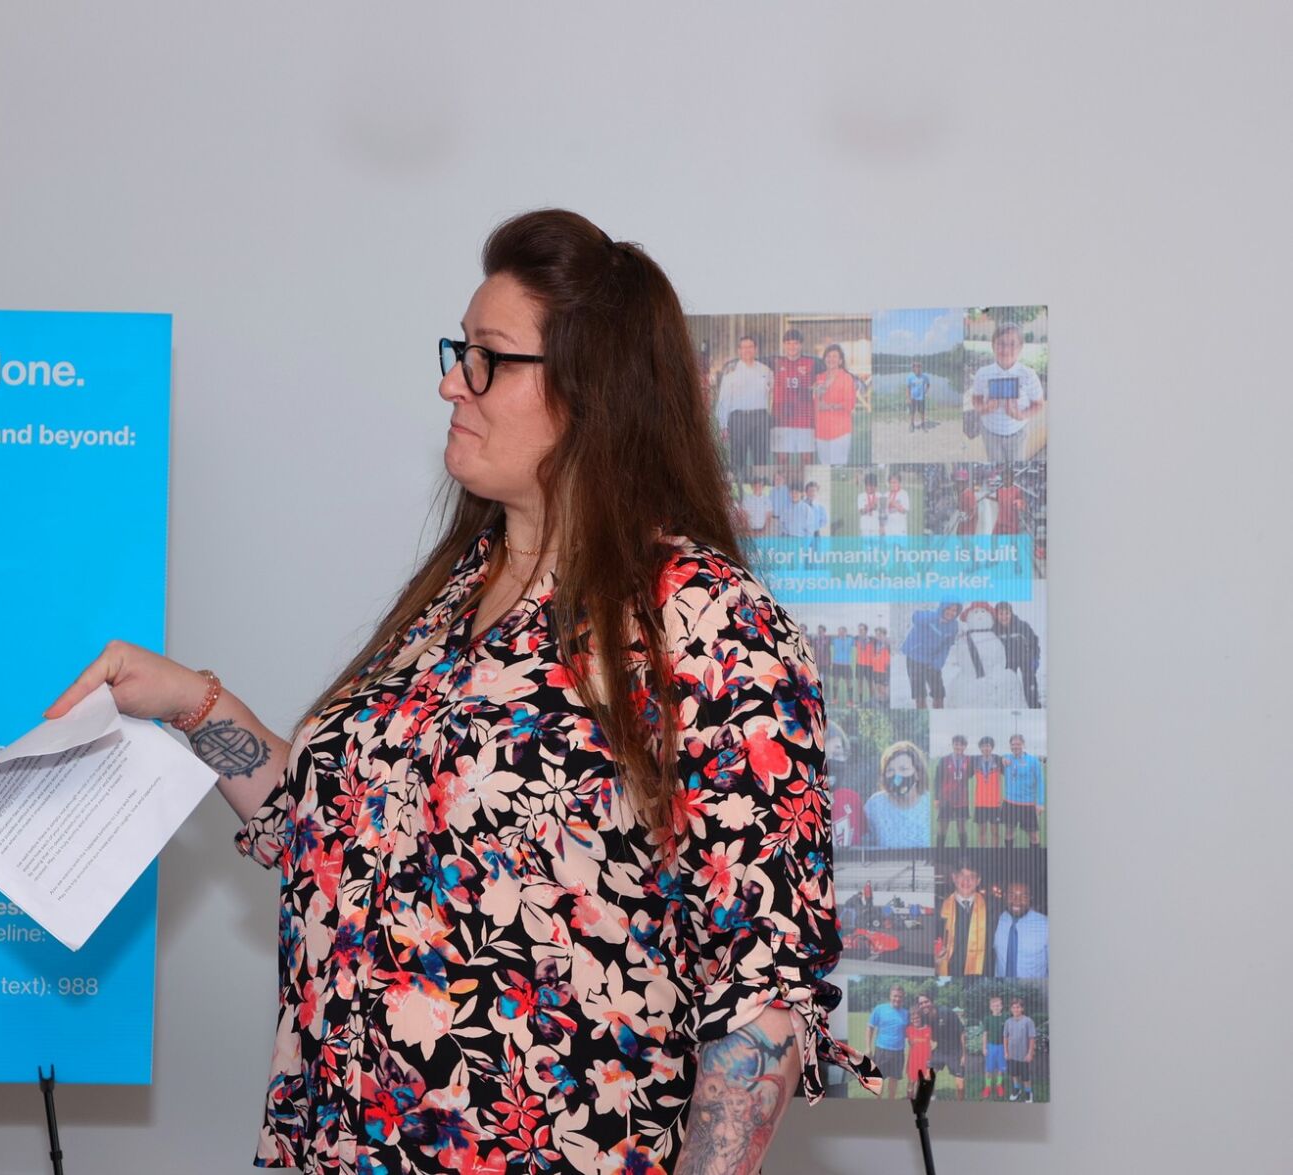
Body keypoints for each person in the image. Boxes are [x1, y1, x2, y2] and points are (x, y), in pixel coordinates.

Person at [44, 210, 875, 1173]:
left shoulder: (705, 623)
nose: (451, 382)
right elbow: (329, 836)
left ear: (591, 391)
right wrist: (191, 703)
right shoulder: (448, 600)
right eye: (458, 351)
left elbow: (762, 984)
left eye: (487, 358)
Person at [969, 323, 1045, 463]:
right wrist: (984, 408)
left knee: (1015, 466)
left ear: (1021, 347)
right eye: (1001, 343)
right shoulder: (983, 373)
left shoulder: (1028, 375)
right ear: (993, 345)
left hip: (1018, 433)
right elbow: (976, 399)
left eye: (1012, 344)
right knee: (996, 465)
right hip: (990, 432)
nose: (1005, 349)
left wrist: (1020, 415)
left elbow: (1038, 404)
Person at [715, 333, 773, 468]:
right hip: (738, 419)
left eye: (750, 347)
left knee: (761, 460)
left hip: (760, 419)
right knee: (737, 459)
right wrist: (723, 426)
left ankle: (761, 487)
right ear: (739, 351)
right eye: (743, 347)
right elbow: (724, 401)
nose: (747, 350)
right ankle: (738, 486)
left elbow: (773, 394)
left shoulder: (766, 370)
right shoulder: (731, 372)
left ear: (756, 349)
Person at [771, 327, 821, 474]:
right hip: (781, 419)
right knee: (781, 459)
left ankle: (808, 487)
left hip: (804, 420)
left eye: (795, 343)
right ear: (784, 345)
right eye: (789, 343)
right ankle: (784, 489)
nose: (792, 347)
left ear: (801, 345)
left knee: (807, 460)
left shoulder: (812, 363)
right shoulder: (774, 362)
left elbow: (830, 371)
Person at [863, 741, 931, 848]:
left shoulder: (933, 806)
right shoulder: (875, 805)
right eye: (890, 770)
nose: (897, 776)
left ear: (917, 773)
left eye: (903, 769)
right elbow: (863, 846)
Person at [935, 859, 991, 976]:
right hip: (948, 972)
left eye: (972, 876)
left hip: (980, 973)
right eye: (961, 875)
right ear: (954, 878)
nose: (966, 880)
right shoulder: (939, 909)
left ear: (978, 881)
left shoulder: (992, 910)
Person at [900, 600, 961, 709]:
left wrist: (938, 662)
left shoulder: (953, 626)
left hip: (932, 661)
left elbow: (946, 646)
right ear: (943, 607)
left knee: (939, 694)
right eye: (948, 608)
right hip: (915, 658)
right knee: (920, 695)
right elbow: (915, 617)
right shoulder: (930, 616)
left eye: (954, 610)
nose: (951, 613)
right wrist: (934, 618)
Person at [812, 343, 859, 465]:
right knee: (824, 464)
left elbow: (850, 404)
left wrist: (830, 406)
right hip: (821, 430)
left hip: (840, 431)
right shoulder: (819, 377)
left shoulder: (846, 378)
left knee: (839, 464)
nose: (831, 359)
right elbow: (815, 402)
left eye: (834, 356)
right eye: (828, 356)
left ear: (840, 361)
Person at [993, 880, 1050, 979]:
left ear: (1030, 898)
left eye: (1023, 896)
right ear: (1005, 896)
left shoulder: (1046, 925)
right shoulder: (996, 921)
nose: (1016, 901)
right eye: (1012, 895)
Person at [992, 601, 1042, 708]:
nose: (1004, 617)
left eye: (1007, 613)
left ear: (1011, 613)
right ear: (996, 615)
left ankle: (1034, 707)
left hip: (1025, 658)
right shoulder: (994, 629)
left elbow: (1034, 642)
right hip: (1007, 661)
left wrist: (1035, 658)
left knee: (1029, 682)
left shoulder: (1022, 626)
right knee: (1007, 684)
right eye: (1001, 614)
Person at [867, 985, 911, 1100]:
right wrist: (868, 1047)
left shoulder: (906, 1014)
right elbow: (870, 1028)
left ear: (903, 998)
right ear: (890, 996)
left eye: (900, 996)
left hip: (898, 1052)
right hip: (882, 1050)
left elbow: (909, 1033)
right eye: (895, 996)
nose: (897, 999)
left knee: (894, 1079)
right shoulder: (879, 1009)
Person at [1003, 733, 1047, 847]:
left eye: (1018, 744)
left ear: (1023, 745)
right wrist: (1002, 758)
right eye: (1013, 744)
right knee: (1008, 832)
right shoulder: (1007, 759)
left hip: (1028, 804)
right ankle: (1008, 859)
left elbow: (1040, 782)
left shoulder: (1033, 761)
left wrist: (1040, 803)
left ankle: (1034, 862)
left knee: (1033, 836)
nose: (1015, 746)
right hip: (1010, 803)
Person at [935, 735, 973, 847]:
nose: (958, 746)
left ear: (965, 746)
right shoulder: (944, 760)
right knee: (943, 827)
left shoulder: (969, 760)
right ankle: (939, 853)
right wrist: (937, 798)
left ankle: (963, 854)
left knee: (961, 827)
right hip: (946, 799)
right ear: (953, 745)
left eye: (961, 744)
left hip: (962, 799)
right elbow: (937, 779)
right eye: (956, 744)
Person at [971, 735, 1005, 848]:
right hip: (980, 802)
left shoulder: (999, 760)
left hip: (994, 803)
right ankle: (982, 853)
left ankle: (995, 854)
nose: (986, 748)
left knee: (995, 832)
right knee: (982, 831)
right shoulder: (975, 760)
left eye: (988, 746)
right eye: (983, 746)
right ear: (980, 748)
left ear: (992, 747)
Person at [1003, 998, 1039, 1101]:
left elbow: (1031, 1038)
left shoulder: (1028, 1021)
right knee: (1014, 1074)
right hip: (1012, 1054)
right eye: (1013, 1007)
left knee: (1025, 1077)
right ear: (1011, 1009)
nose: (1015, 1009)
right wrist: (1006, 1051)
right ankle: (1017, 1089)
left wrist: (1030, 1053)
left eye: (1018, 1007)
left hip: (1024, 1055)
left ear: (1022, 1008)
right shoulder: (1008, 1022)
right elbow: (1005, 1037)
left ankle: (1028, 1092)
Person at [981, 995, 1008, 1099]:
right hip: (991, 1046)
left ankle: (999, 1085)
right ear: (990, 1007)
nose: (996, 1007)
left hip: (1002, 1047)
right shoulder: (987, 1018)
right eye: (994, 1006)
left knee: (1000, 1068)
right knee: (988, 1069)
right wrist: (984, 1047)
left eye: (998, 1005)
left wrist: (1006, 1049)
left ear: (1001, 1006)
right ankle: (987, 1087)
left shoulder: (1005, 1017)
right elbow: (985, 1034)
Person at [904, 1007, 934, 1097]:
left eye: (917, 1018)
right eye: (912, 1019)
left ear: (921, 1018)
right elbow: (907, 1042)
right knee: (911, 1081)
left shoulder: (929, 1029)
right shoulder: (909, 1029)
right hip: (913, 1061)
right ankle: (909, 1098)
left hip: (925, 1062)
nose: (915, 1020)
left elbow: (934, 1043)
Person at [960, 1009, 987, 1101]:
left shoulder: (980, 1024)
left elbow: (984, 1035)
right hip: (971, 1053)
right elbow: (963, 1037)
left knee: (982, 1071)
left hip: (979, 1052)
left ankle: (983, 1087)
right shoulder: (965, 1024)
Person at [830, 625, 856, 705]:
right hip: (836, 664)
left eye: (842, 631)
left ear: (845, 632)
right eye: (839, 631)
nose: (840, 633)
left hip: (846, 665)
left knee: (849, 683)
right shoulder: (835, 640)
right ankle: (835, 699)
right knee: (835, 682)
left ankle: (850, 701)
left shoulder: (851, 640)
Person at [881, 471, 911, 539]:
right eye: (891, 482)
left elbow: (904, 510)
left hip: (900, 527)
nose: (893, 485)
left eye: (895, 482)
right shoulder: (886, 495)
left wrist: (893, 503)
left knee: (900, 548)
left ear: (899, 483)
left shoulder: (904, 494)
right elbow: (883, 513)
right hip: (889, 527)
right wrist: (882, 527)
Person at [868, 627, 891, 706]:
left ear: (884, 634)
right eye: (876, 634)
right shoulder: (875, 643)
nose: (878, 636)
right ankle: (880, 702)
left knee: (884, 688)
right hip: (876, 669)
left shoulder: (888, 644)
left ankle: (886, 702)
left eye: (880, 634)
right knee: (877, 686)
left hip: (884, 670)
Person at [857, 473, 883, 538]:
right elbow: (861, 511)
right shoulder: (861, 496)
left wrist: (882, 527)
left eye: (872, 486)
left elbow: (882, 513)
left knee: (876, 547)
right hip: (865, 526)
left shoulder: (880, 496)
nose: (869, 488)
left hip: (876, 526)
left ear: (876, 486)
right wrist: (873, 505)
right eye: (867, 485)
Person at [907, 360, 930, 431]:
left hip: (921, 398)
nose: (917, 368)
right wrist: (908, 397)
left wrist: (926, 391)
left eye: (919, 367)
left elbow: (928, 384)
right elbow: (908, 387)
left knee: (922, 412)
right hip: (913, 397)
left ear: (921, 368)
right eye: (916, 367)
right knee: (912, 412)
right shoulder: (910, 377)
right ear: (913, 368)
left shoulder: (924, 376)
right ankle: (912, 425)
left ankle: (923, 424)